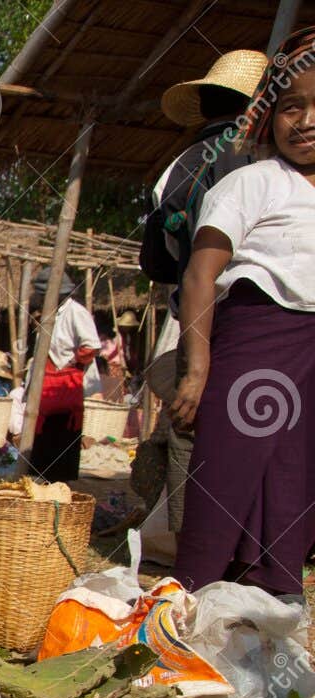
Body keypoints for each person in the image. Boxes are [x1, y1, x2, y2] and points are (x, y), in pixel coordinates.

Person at [171, 29, 315, 598]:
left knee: (293, 475)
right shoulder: (249, 183)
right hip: (256, 334)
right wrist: (197, 364)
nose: (303, 121)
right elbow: (200, 273)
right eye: (291, 107)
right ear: (269, 115)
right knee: (227, 468)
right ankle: (188, 599)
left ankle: (274, 596)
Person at [140, 48, 266, 534]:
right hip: (258, 319)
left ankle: (193, 540)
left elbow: (155, 262)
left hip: (191, 315)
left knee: (192, 432)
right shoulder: (267, 163)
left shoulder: (179, 165)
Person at [28, 276, 99, 482]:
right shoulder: (52, 314)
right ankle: (44, 477)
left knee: (61, 433)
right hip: (48, 381)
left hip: (64, 383)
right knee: (45, 435)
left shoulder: (75, 312)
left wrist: (69, 364)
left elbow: (91, 345)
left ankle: (59, 480)